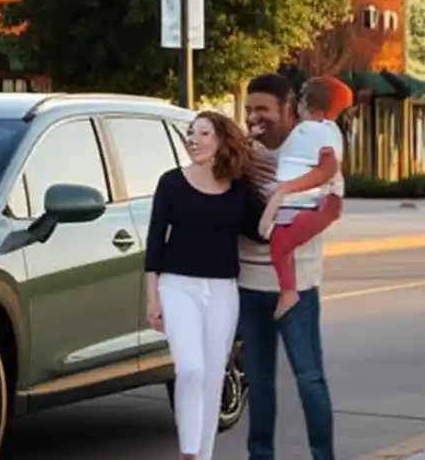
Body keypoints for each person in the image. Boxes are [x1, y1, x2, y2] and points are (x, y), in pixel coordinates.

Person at [144, 110, 266, 460]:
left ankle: (203, 455)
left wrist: (284, 196)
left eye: (203, 134)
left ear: (221, 141)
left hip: (223, 291)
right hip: (177, 286)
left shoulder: (238, 188)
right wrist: (153, 298)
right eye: (191, 133)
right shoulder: (170, 183)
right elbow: (155, 244)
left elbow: (261, 231)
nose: (193, 140)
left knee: (213, 377)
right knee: (191, 369)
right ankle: (188, 452)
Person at [239, 73, 337, 460]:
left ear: (288, 108)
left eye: (262, 109)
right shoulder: (241, 155)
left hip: (296, 285)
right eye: (248, 110)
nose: (253, 118)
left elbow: (326, 208)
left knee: (309, 379)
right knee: (259, 382)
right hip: (248, 282)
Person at [259, 76, 347, 320]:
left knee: (279, 244)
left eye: (300, 98)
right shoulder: (307, 130)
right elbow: (286, 158)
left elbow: (326, 170)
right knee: (280, 244)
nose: (297, 104)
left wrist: (285, 189)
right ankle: (289, 291)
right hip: (300, 202)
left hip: (321, 203)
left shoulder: (322, 130)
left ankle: (289, 292)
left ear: (307, 102)